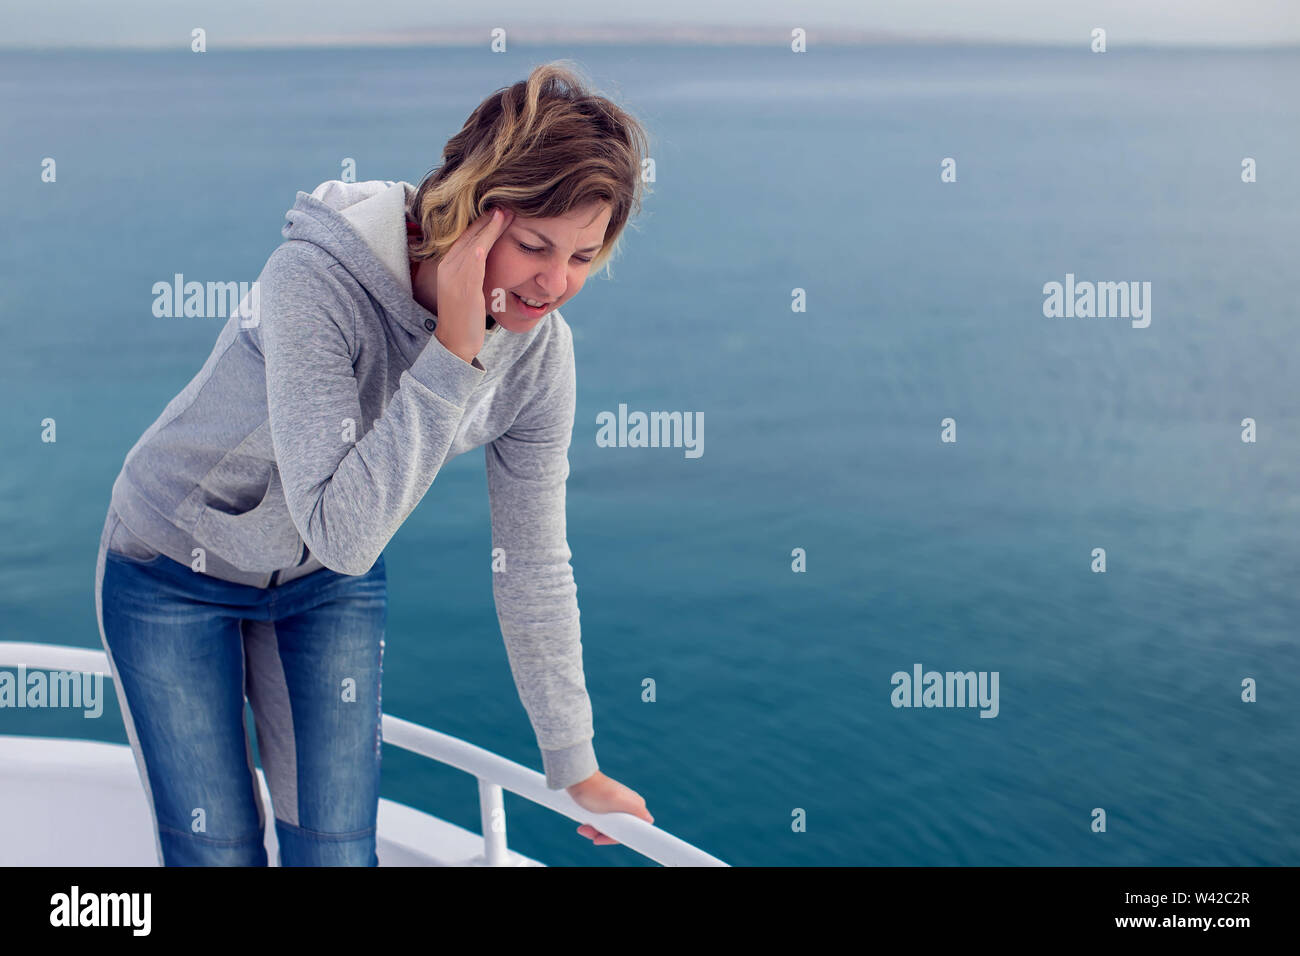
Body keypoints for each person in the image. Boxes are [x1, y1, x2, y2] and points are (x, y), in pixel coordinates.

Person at [94, 61, 654, 865]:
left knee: (339, 853)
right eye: (535, 246)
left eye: (583, 257)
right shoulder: (317, 280)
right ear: (473, 214)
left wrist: (574, 761)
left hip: (323, 589)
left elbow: (531, 559)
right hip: (171, 567)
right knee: (214, 851)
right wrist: (453, 355)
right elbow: (341, 530)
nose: (555, 284)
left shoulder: (538, 359)